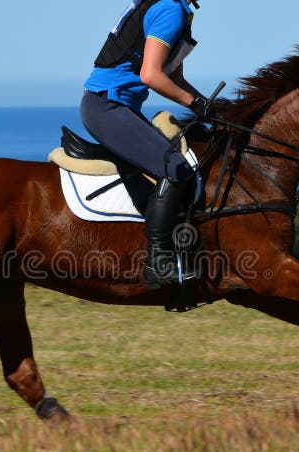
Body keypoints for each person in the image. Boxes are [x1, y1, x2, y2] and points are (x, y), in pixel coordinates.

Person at [80, 0, 212, 289]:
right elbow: (151, 76)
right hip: (108, 107)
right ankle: (158, 264)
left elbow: (174, 78)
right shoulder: (170, 10)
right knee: (175, 168)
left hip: (114, 106)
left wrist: (210, 106)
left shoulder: (175, 9)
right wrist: (195, 103)